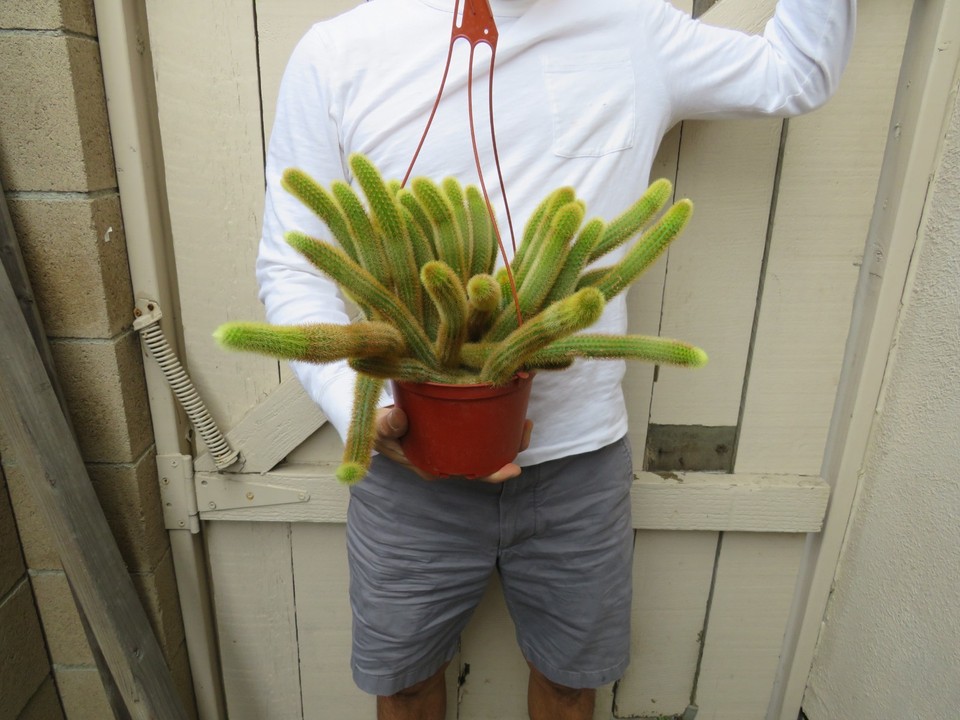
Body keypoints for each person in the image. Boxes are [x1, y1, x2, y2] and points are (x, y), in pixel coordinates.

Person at [256, 1, 855, 717]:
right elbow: (292, 267)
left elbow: (795, 75)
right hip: (410, 459)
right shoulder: (339, 53)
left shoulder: (631, 26)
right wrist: (367, 408)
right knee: (405, 682)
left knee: (573, 684)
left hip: (578, 464)